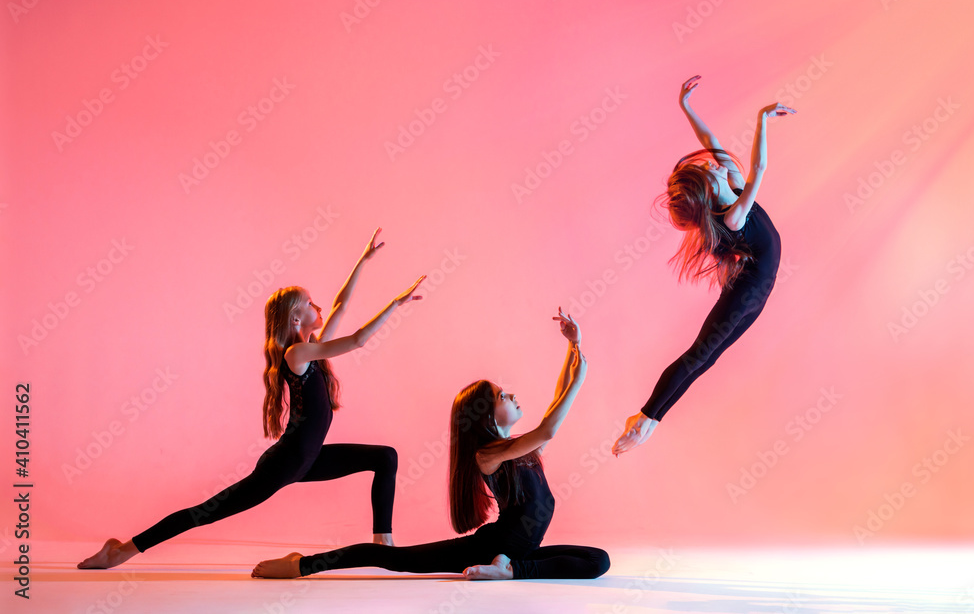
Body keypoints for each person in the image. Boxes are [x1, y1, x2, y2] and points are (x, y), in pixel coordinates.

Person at [78, 228, 425, 569]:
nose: (316, 305)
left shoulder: (312, 351)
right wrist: (395, 304)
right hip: (285, 462)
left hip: (309, 458)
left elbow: (340, 305)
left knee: (385, 457)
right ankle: (121, 550)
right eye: (308, 302)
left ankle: (384, 545)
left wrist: (363, 261)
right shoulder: (297, 354)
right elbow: (359, 340)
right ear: (294, 317)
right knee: (208, 512)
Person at [251, 309, 610, 580]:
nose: (512, 394)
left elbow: (551, 412)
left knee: (599, 560)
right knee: (393, 558)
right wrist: (579, 381)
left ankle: (511, 568)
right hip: (490, 547)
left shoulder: (518, 451)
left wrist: (573, 347)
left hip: (519, 550)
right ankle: (301, 565)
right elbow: (549, 428)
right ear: (486, 415)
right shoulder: (488, 456)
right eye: (502, 395)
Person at [613, 75, 795, 456]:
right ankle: (645, 418)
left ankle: (649, 420)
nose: (713, 165)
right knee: (699, 354)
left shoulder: (727, 180)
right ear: (709, 191)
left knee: (708, 357)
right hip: (751, 288)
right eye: (708, 172)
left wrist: (687, 107)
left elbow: (710, 141)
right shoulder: (732, 214)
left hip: (758, 287)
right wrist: (762, 119)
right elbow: (760, 168)